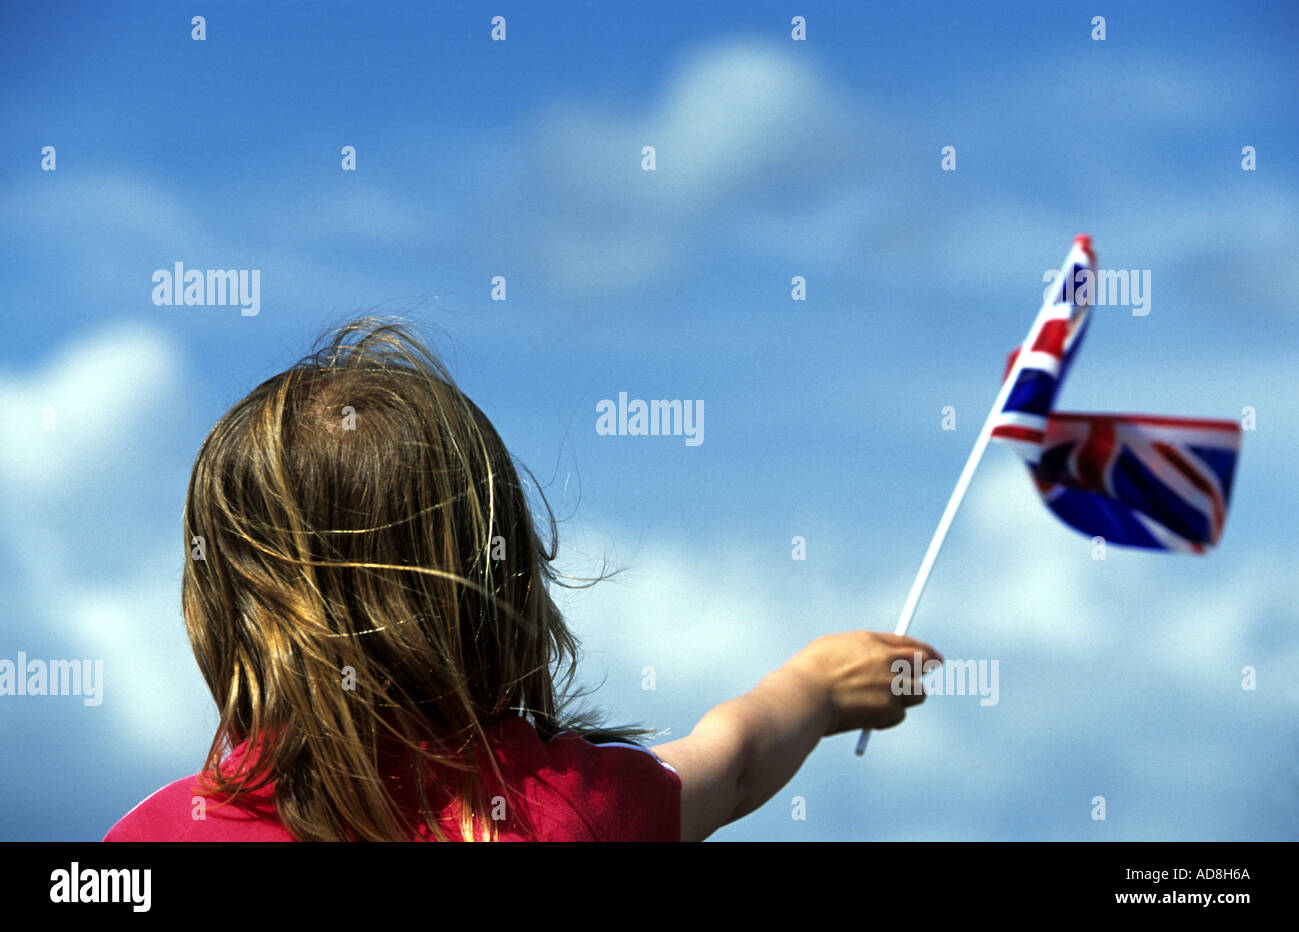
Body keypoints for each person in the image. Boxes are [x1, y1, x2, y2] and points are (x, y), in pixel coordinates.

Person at [104, 318, 940, 842]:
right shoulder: (575, 808)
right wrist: (817, 686)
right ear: (499, 585)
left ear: (223, 606)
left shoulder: (155, 837)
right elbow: (738, 760)